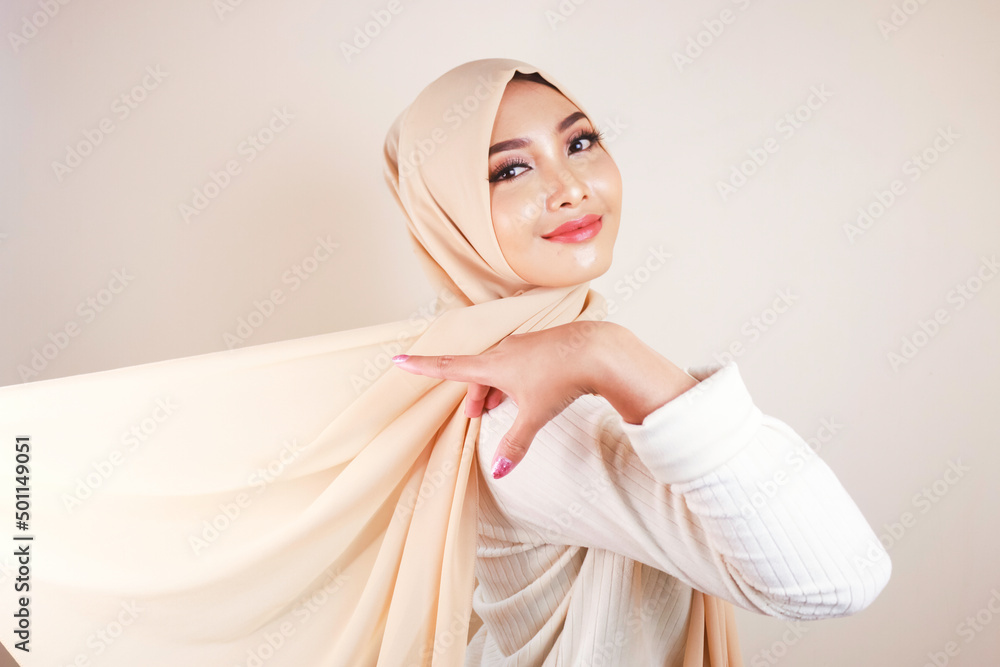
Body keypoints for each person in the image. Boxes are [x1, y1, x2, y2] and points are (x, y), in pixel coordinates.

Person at [0, 59, 889, 667]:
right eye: (508, 171)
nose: (571, 185)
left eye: (580, 142)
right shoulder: (525, 413)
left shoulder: (486, 365)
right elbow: (841, 577)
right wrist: (609, 353)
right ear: (447, 210)